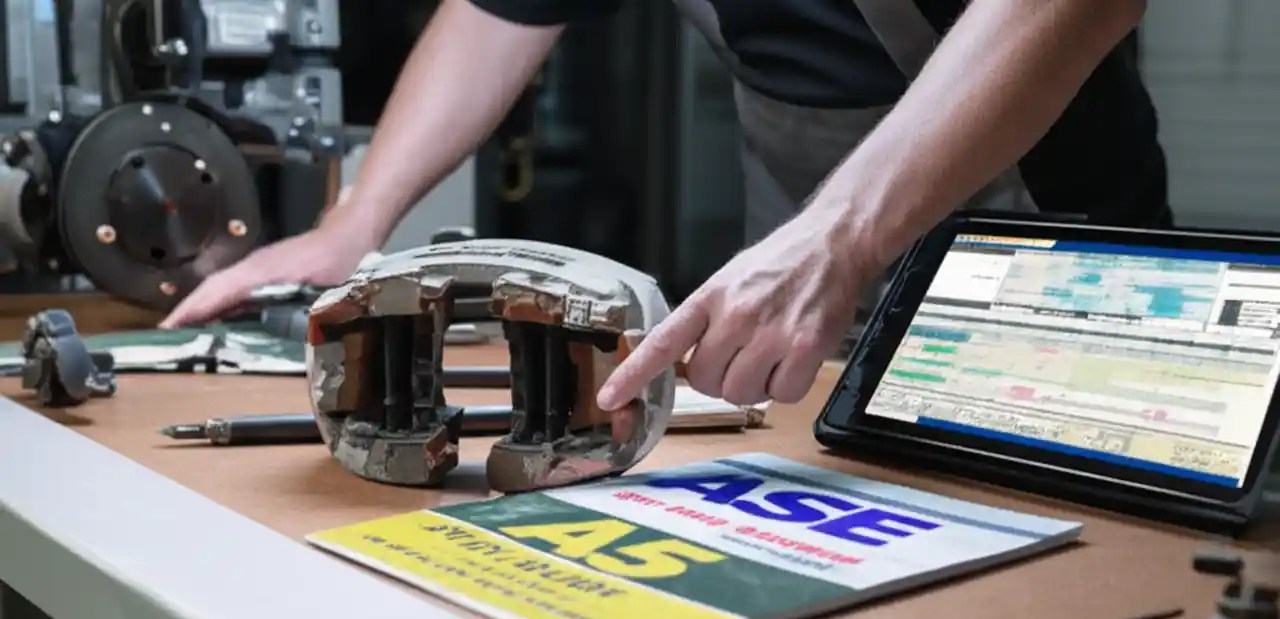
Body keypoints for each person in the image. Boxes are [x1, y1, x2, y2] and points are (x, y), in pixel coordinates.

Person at [160, 0, 1167, 414]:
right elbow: (496, 14)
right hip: (803, 254)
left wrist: (836, 235)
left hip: (1050, 267)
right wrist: (354, 222)